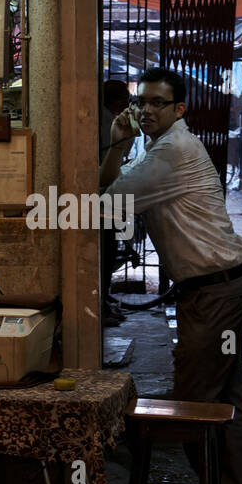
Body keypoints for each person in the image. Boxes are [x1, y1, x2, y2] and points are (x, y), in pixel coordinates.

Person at [101, 68, 242, 484]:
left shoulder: (172, 152)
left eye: (157, 103)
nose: (146, 110)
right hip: (220, 287)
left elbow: (105, 204)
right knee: (228, 399)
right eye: (141, 102)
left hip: (214, 292)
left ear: (179, 110)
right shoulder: (157, 150)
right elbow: (112, 189)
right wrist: (118, 141)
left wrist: (117, 147)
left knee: (193, 403)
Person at [99, 79, 131, 327]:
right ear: (120, 102)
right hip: (101, 195)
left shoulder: (104, 117)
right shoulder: (108, 121)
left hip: (103, 194)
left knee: (106, 251)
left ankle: (103, 302)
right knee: (105, 252)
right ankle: (101, 306)